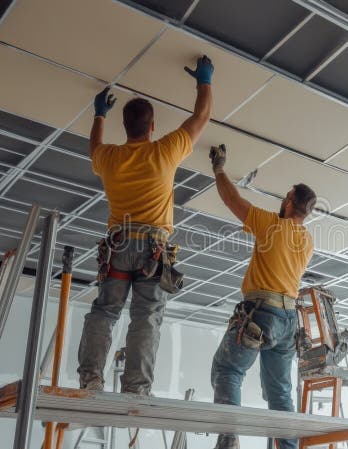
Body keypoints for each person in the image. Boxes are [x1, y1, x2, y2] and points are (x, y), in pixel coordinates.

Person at [77, 55, 214, 394]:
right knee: (147, 316)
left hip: (119, 247)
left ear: (125, 127)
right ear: (152, 127)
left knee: (105, 312)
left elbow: (94, 147)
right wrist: (204, 81)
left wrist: (98, 115)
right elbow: (201, 117)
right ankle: (135, 388)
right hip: (153, 250)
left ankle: (91, 379)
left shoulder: (110, 157)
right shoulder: (165, 150)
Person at [207, 144, 317, 449]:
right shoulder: (308, 241)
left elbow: (232, 200)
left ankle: (229, 439)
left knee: (228, 369)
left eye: (286, 196)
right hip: (288, 321)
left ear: (289, 201)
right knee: (280, 393)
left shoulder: (271, 225)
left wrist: (219, 169)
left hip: (262, 313)